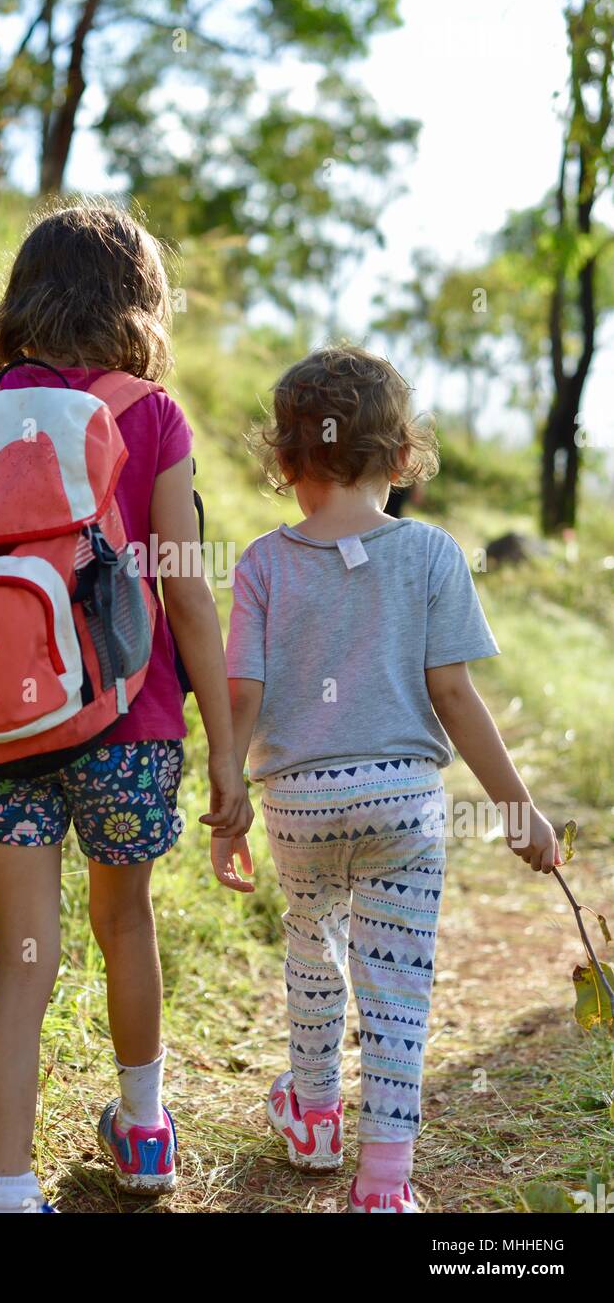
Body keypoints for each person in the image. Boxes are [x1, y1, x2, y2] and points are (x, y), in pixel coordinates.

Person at [0, 202, 251, 1213]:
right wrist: (222, 747)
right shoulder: (151, 414)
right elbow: (185, 587)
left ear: (23, 294)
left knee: (21, 956)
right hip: (132, 719)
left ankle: (7, 1189)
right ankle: (147, 1131)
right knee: (126, 923)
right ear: (141, 305)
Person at [218, 345, 560, 1214]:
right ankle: (381, 1185)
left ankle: (315, 1116)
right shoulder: (433, 554)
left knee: (312, 940)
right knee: (397, 985)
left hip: (296, 802)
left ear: (287, 461)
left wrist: (226, 802)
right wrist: (518, 813)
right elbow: (452, 692)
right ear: (401, 456)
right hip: (402, 802)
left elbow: (242, 695)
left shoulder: (261, 562)